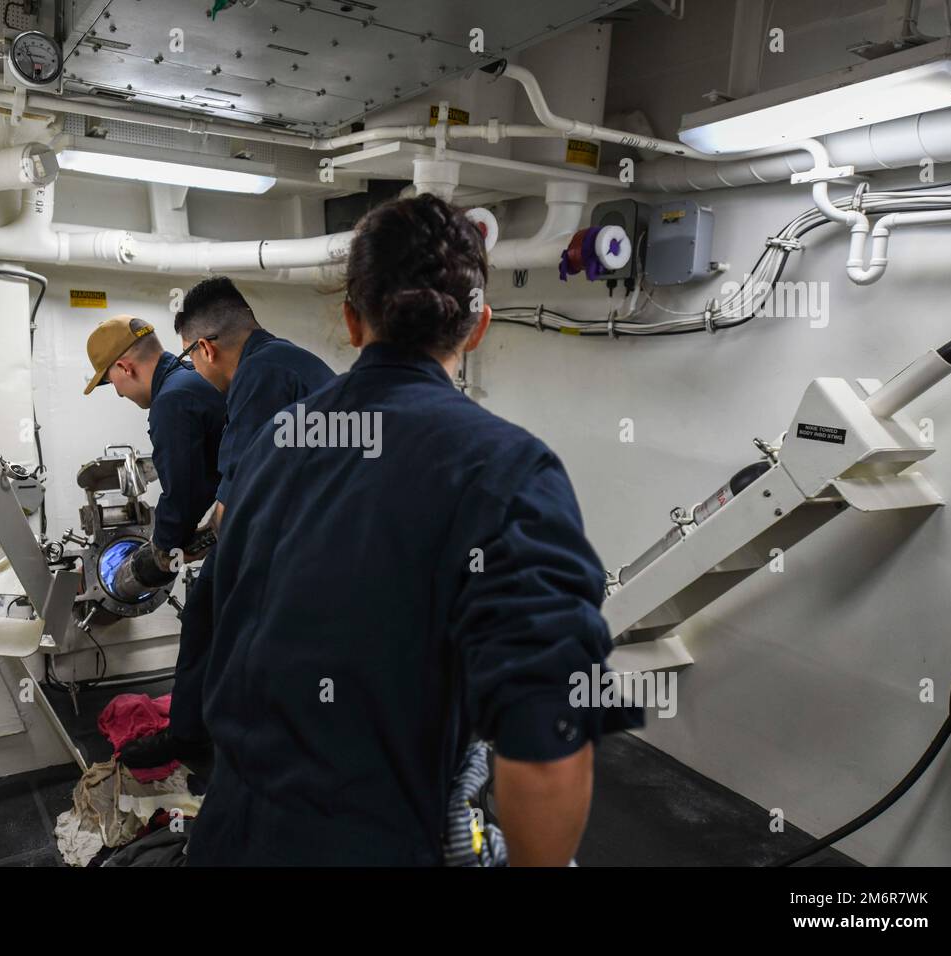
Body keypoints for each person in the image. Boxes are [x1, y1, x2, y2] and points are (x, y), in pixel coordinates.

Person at [188, 194, 642, 866]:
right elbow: (547, 743)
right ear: (478, 325)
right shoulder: (507, 469)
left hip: (225, 834)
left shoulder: (278, 441)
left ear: (351, 320)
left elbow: (223, 618)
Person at [122, 277, 335, 770]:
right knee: (212, 614)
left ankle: (211, 747)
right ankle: (209, 736)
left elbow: (231, 504)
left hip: (306, 540)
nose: (192, 368)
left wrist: (172, 547)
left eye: (189, 355)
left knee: (213, 618)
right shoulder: (290, 361)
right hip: (317, 526)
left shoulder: (257, 376)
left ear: (205, 348)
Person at [83, 315, 225, 770]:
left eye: (112, 383)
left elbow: (184, 493)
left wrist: (162, 552)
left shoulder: (172, 401)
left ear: (125, 367)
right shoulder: (191, 380)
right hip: (258, 522)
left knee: (206, 627)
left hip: (256, 531)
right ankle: (200, 733)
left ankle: (194, 741)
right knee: (209, 627)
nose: (119, 394)